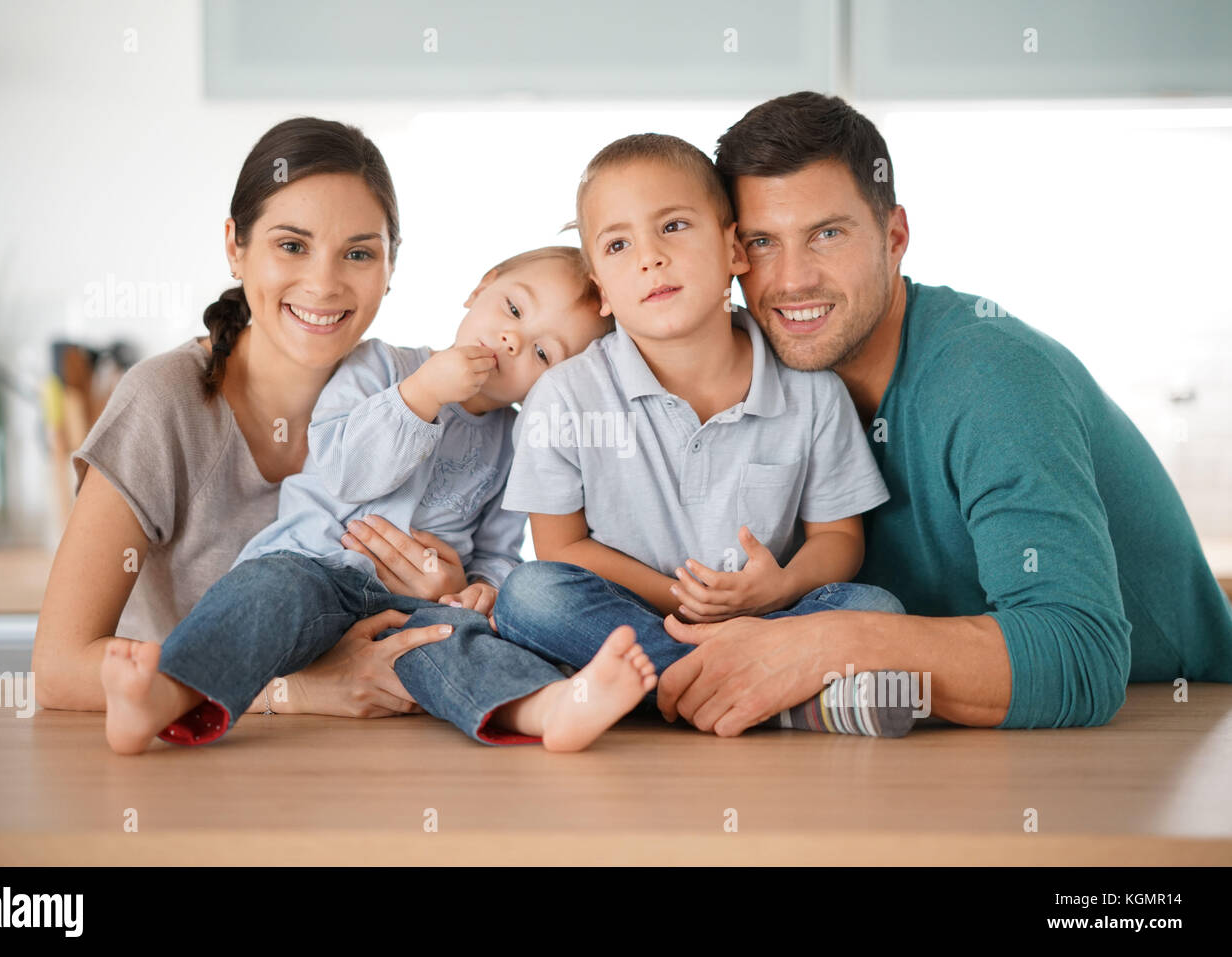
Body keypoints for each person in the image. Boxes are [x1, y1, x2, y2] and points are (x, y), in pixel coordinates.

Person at [655, 91, 1232, 736]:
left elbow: (1081, 656)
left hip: (1175, 726)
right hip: (923, 735)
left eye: (827, 234)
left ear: (894, 237)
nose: (792, 281)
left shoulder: (991, 377)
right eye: (762, 242)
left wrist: (827, 643)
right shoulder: (750, 368)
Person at [101, 245, 665, 755]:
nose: (513, 342)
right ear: (480, 287)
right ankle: (167, 695)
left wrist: (478, 591)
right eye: (513, 311)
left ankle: (545, 709)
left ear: (554, 389)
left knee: (452, 641)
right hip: (312, 566)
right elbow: (342, 470)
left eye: (543, 355)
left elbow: (498, 548)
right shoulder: (382, 366)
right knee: (261, 597)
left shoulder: (516, 443)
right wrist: (421, 396)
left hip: (413, 606)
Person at [35, 117, 472, 721]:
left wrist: (443, 596)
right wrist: (293, 692)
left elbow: (383, 655)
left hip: (373, 770)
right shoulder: (164, 402)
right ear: (234, 247)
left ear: (391, 266)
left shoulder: (425, 401)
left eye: (359, 253)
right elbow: (59, 669)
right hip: (203, 764)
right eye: (292, 245)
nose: (323, 284)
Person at [492, 133, 919, 738]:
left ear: (734, 249)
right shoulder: (565, 397)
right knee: (530, 595)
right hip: (639, 615)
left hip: (770, 617)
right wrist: (682, 598)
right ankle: (764, 694)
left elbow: (839, 537)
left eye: (673, 227)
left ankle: (674, 690)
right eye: (619, 244)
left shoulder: (811, 391)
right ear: (603, 291)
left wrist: (779, 588)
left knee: (877, 609)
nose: (650, 258)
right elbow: (560, 550)